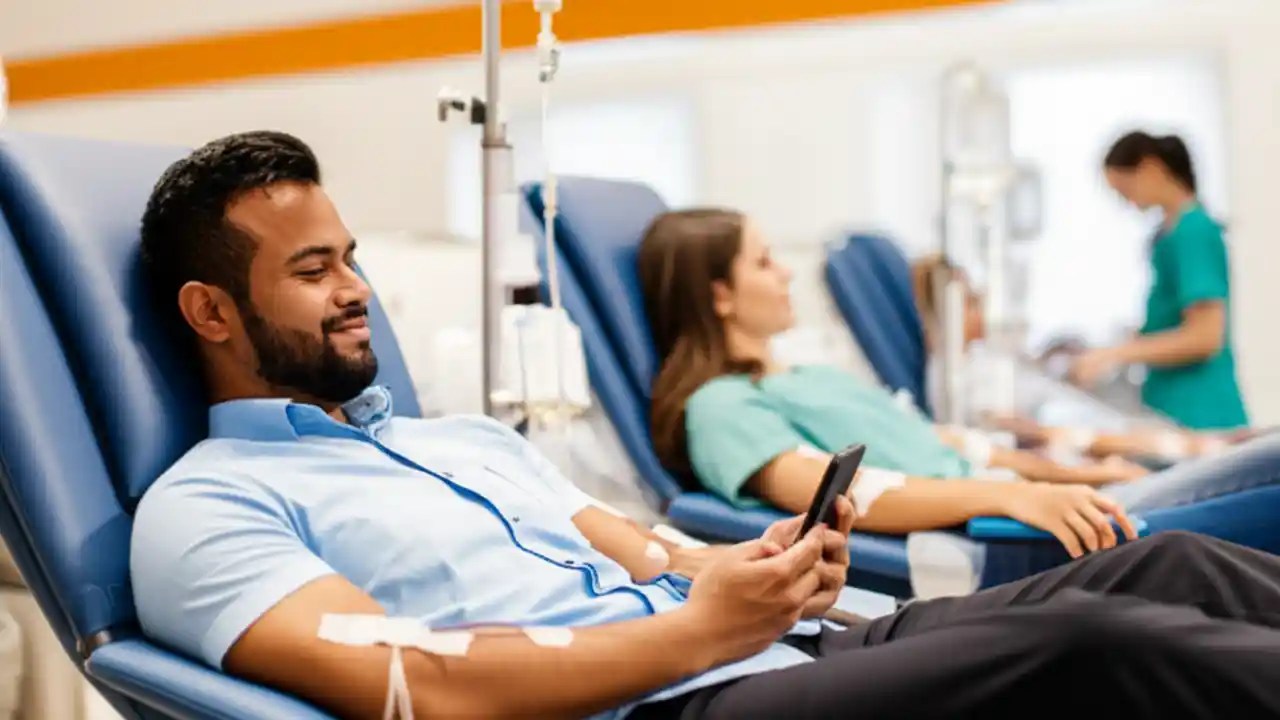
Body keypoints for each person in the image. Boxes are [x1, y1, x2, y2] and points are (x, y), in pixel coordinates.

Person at [126, 130, 1280, 720]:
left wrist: (762, 572)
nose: (356, 291)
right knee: (1087, 652)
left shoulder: (461, 441)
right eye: (315, 270)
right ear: (210, 310)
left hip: (766, 649)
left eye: (354, 260)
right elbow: (416, 687)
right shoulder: (204, 508)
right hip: (671, 702)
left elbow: (656, 553)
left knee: (1160, 560)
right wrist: (701, 635)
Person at [638, 208, 1280, 558]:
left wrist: (1071, 477)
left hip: (1040, 505)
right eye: (763, 260)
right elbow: (834, 495)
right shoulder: (719, 405)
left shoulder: (808, 376)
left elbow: (943, 444)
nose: (785, 273)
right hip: (1004, 531)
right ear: (718, 294)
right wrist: (1009, 500)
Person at [910, 253, 1258, 463]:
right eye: (971, 301)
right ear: (942, 313)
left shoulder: (978, 360)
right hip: (1101, 443)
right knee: (1233, 456)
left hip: (1111, 429)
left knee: (1243, 449)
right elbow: (1034, 432)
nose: (983, 307)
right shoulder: (959, 379)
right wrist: (1179, 446)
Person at [1070, 131, 1248, 430]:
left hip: (1201, 413)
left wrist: (1115, 354)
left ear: (1151, 168)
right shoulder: (1170, 235)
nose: (1127, 203)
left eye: (1125, 191)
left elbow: (1205, 337)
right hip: (1173, 410)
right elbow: (1169, 323)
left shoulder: (1193, 232)